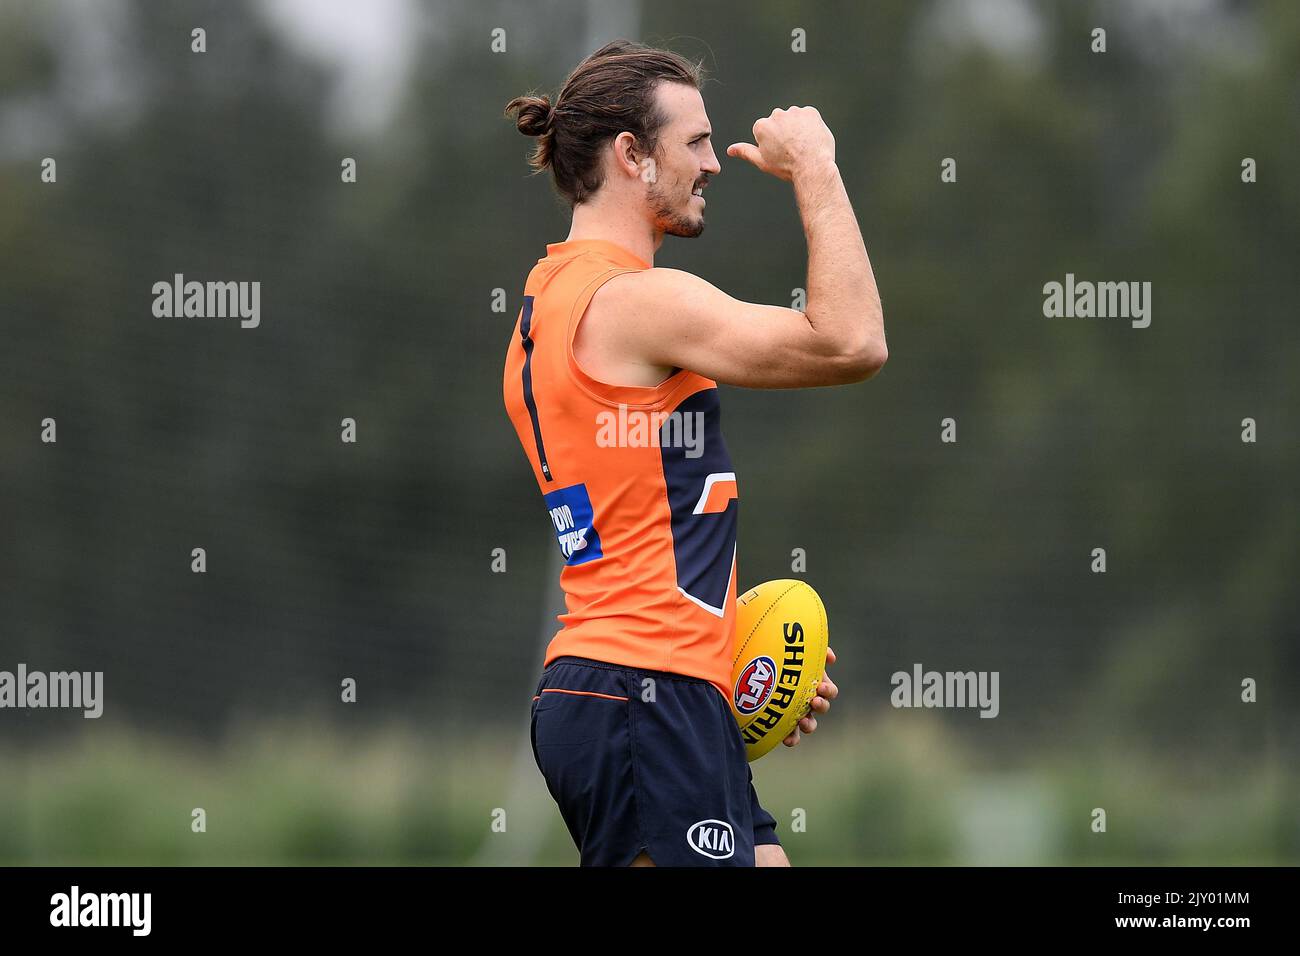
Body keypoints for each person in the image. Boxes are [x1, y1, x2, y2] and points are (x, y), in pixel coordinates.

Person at [501, 39, 885, 866]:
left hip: (638, 687)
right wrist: (817, 164)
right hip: (644, 691)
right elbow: (851, 341)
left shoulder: (545, 304)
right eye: (696, 143)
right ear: (631, 155)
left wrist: (737, 660)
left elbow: (636, 523)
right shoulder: (634, 301)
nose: (713, 164)